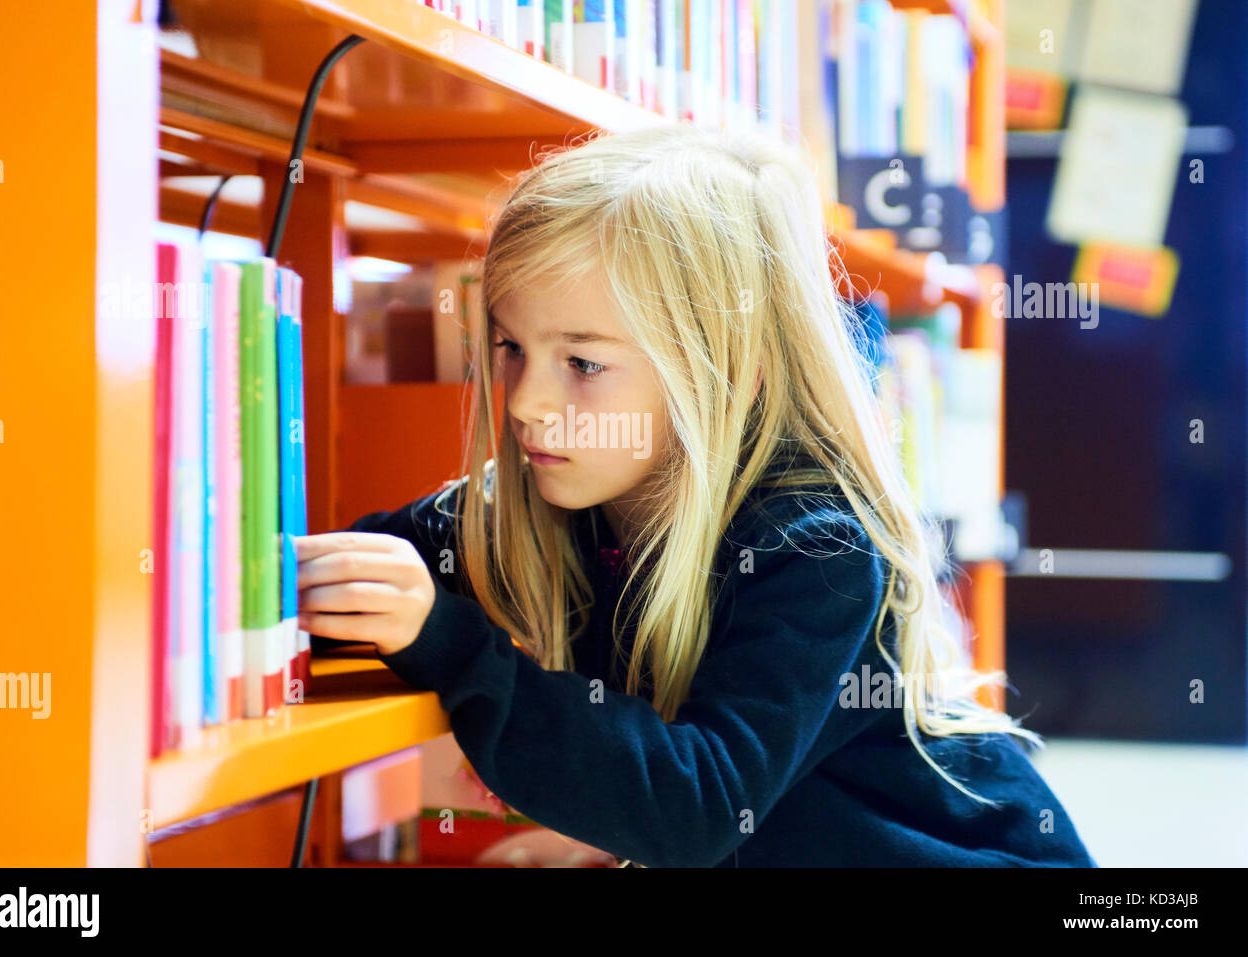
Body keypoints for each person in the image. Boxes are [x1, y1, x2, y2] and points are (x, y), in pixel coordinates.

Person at [296, 123, 1096, 868]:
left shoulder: (817, 546)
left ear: (721, 374)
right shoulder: (536, 498)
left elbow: (704, 803)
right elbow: (332, 578)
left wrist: (448, 641)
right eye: (509, 346)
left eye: (582, 363)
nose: (524, 401)